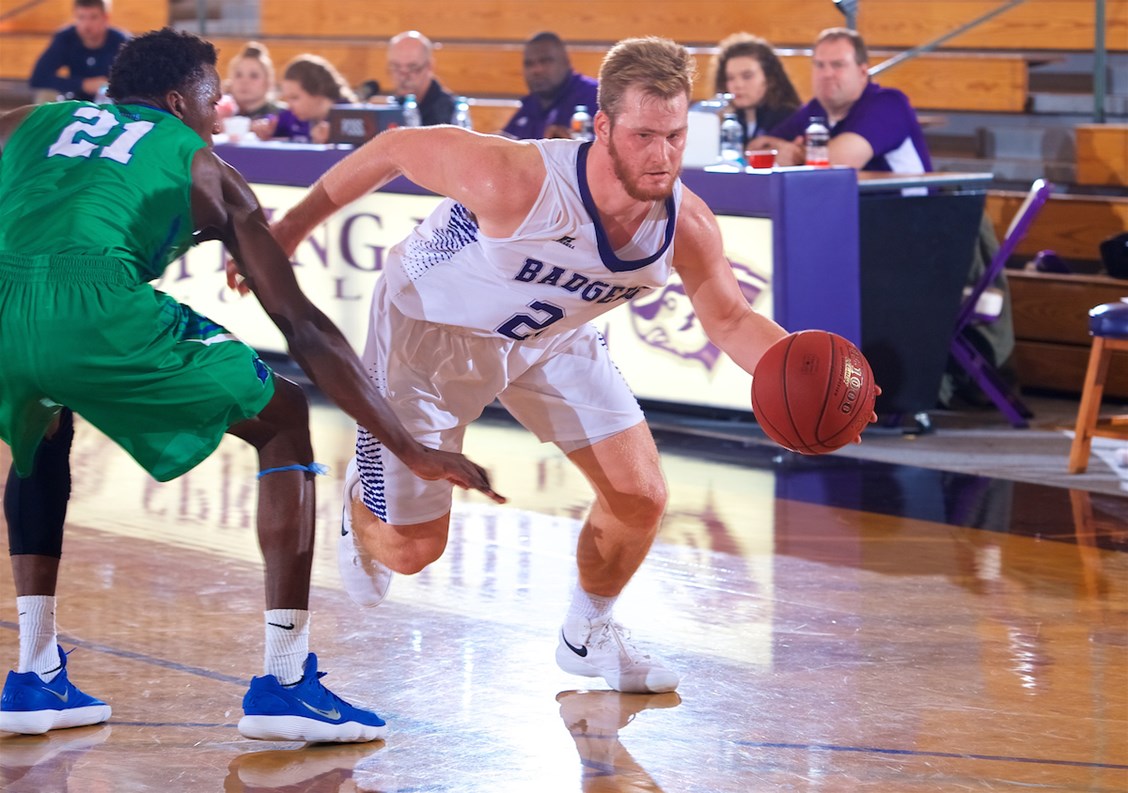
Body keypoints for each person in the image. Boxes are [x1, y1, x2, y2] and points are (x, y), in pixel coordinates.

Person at [258, 36, 875, 696]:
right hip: (429, 336)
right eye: (643, 135)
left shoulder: (684, 224)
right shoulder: (519, 178)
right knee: (412, 550)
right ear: (603, 126)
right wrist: (290, 228)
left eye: (674, 135)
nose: (662, 155)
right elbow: (392, 150)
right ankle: (362, 504)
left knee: (640, 496)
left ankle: (588, 635)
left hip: (549, 335)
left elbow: (727, 318)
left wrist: (807, 377)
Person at [0, 28, 501, 739]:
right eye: (211, 96)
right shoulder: (205, 168)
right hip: (95, 307)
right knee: (284, 414)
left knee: (38, 436)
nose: (221, 107)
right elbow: (304, 328)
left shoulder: (30, 120)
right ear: (178, 100)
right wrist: (409, 446)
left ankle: (33, 675)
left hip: (3, 308)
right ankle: (286, 681)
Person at [748, 27, 931, 172]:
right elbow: (756, 149)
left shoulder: (888, 104)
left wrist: (793, 155)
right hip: (853, 210)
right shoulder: (816, 109)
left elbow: (840, 163)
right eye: (820, 65)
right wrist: (785, 149)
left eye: (838, 65)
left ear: (862, 72)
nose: (827, 74)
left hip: (907, 211)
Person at [502, 31, 599, 140]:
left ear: (566, 63)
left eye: (545, 61)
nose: (536, 70)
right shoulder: (530, 104)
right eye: (529, 64)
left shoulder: (596, 96)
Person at [28, 0, 128, 103]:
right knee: (46, 94)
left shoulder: (121, 42)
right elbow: (38, 78)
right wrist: (83, 84)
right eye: (81, 17)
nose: (87, 24)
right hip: (74, 100)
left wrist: (109, 86)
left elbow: (134, 80)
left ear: (105, 18)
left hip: (111, 102)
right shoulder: (65, 38)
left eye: (93, 17)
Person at [710, 33, 801, 146]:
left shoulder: (792, 119)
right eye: (730, 78)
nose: (738, 85)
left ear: (770, 79)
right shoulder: (719, 122)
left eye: (747, 76)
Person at [251, 54, 357, 144]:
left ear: (318, 92)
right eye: (287, 99)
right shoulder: (293, 116)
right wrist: (264, 127)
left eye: (294, 98)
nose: (290, 105)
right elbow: (272, 122)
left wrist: (335, 137)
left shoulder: (352, 118)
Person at [386, 30, 454, 126]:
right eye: (396, 67)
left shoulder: (449, 112)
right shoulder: (393, 106)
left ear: (430, 66)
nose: (404, 77)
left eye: (412, 68)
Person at [223, 41, 280, 119]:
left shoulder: (282, 117)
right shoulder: (219, 115)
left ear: (268, 82)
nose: (244, 82)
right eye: (238, 75)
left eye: (254, 76)